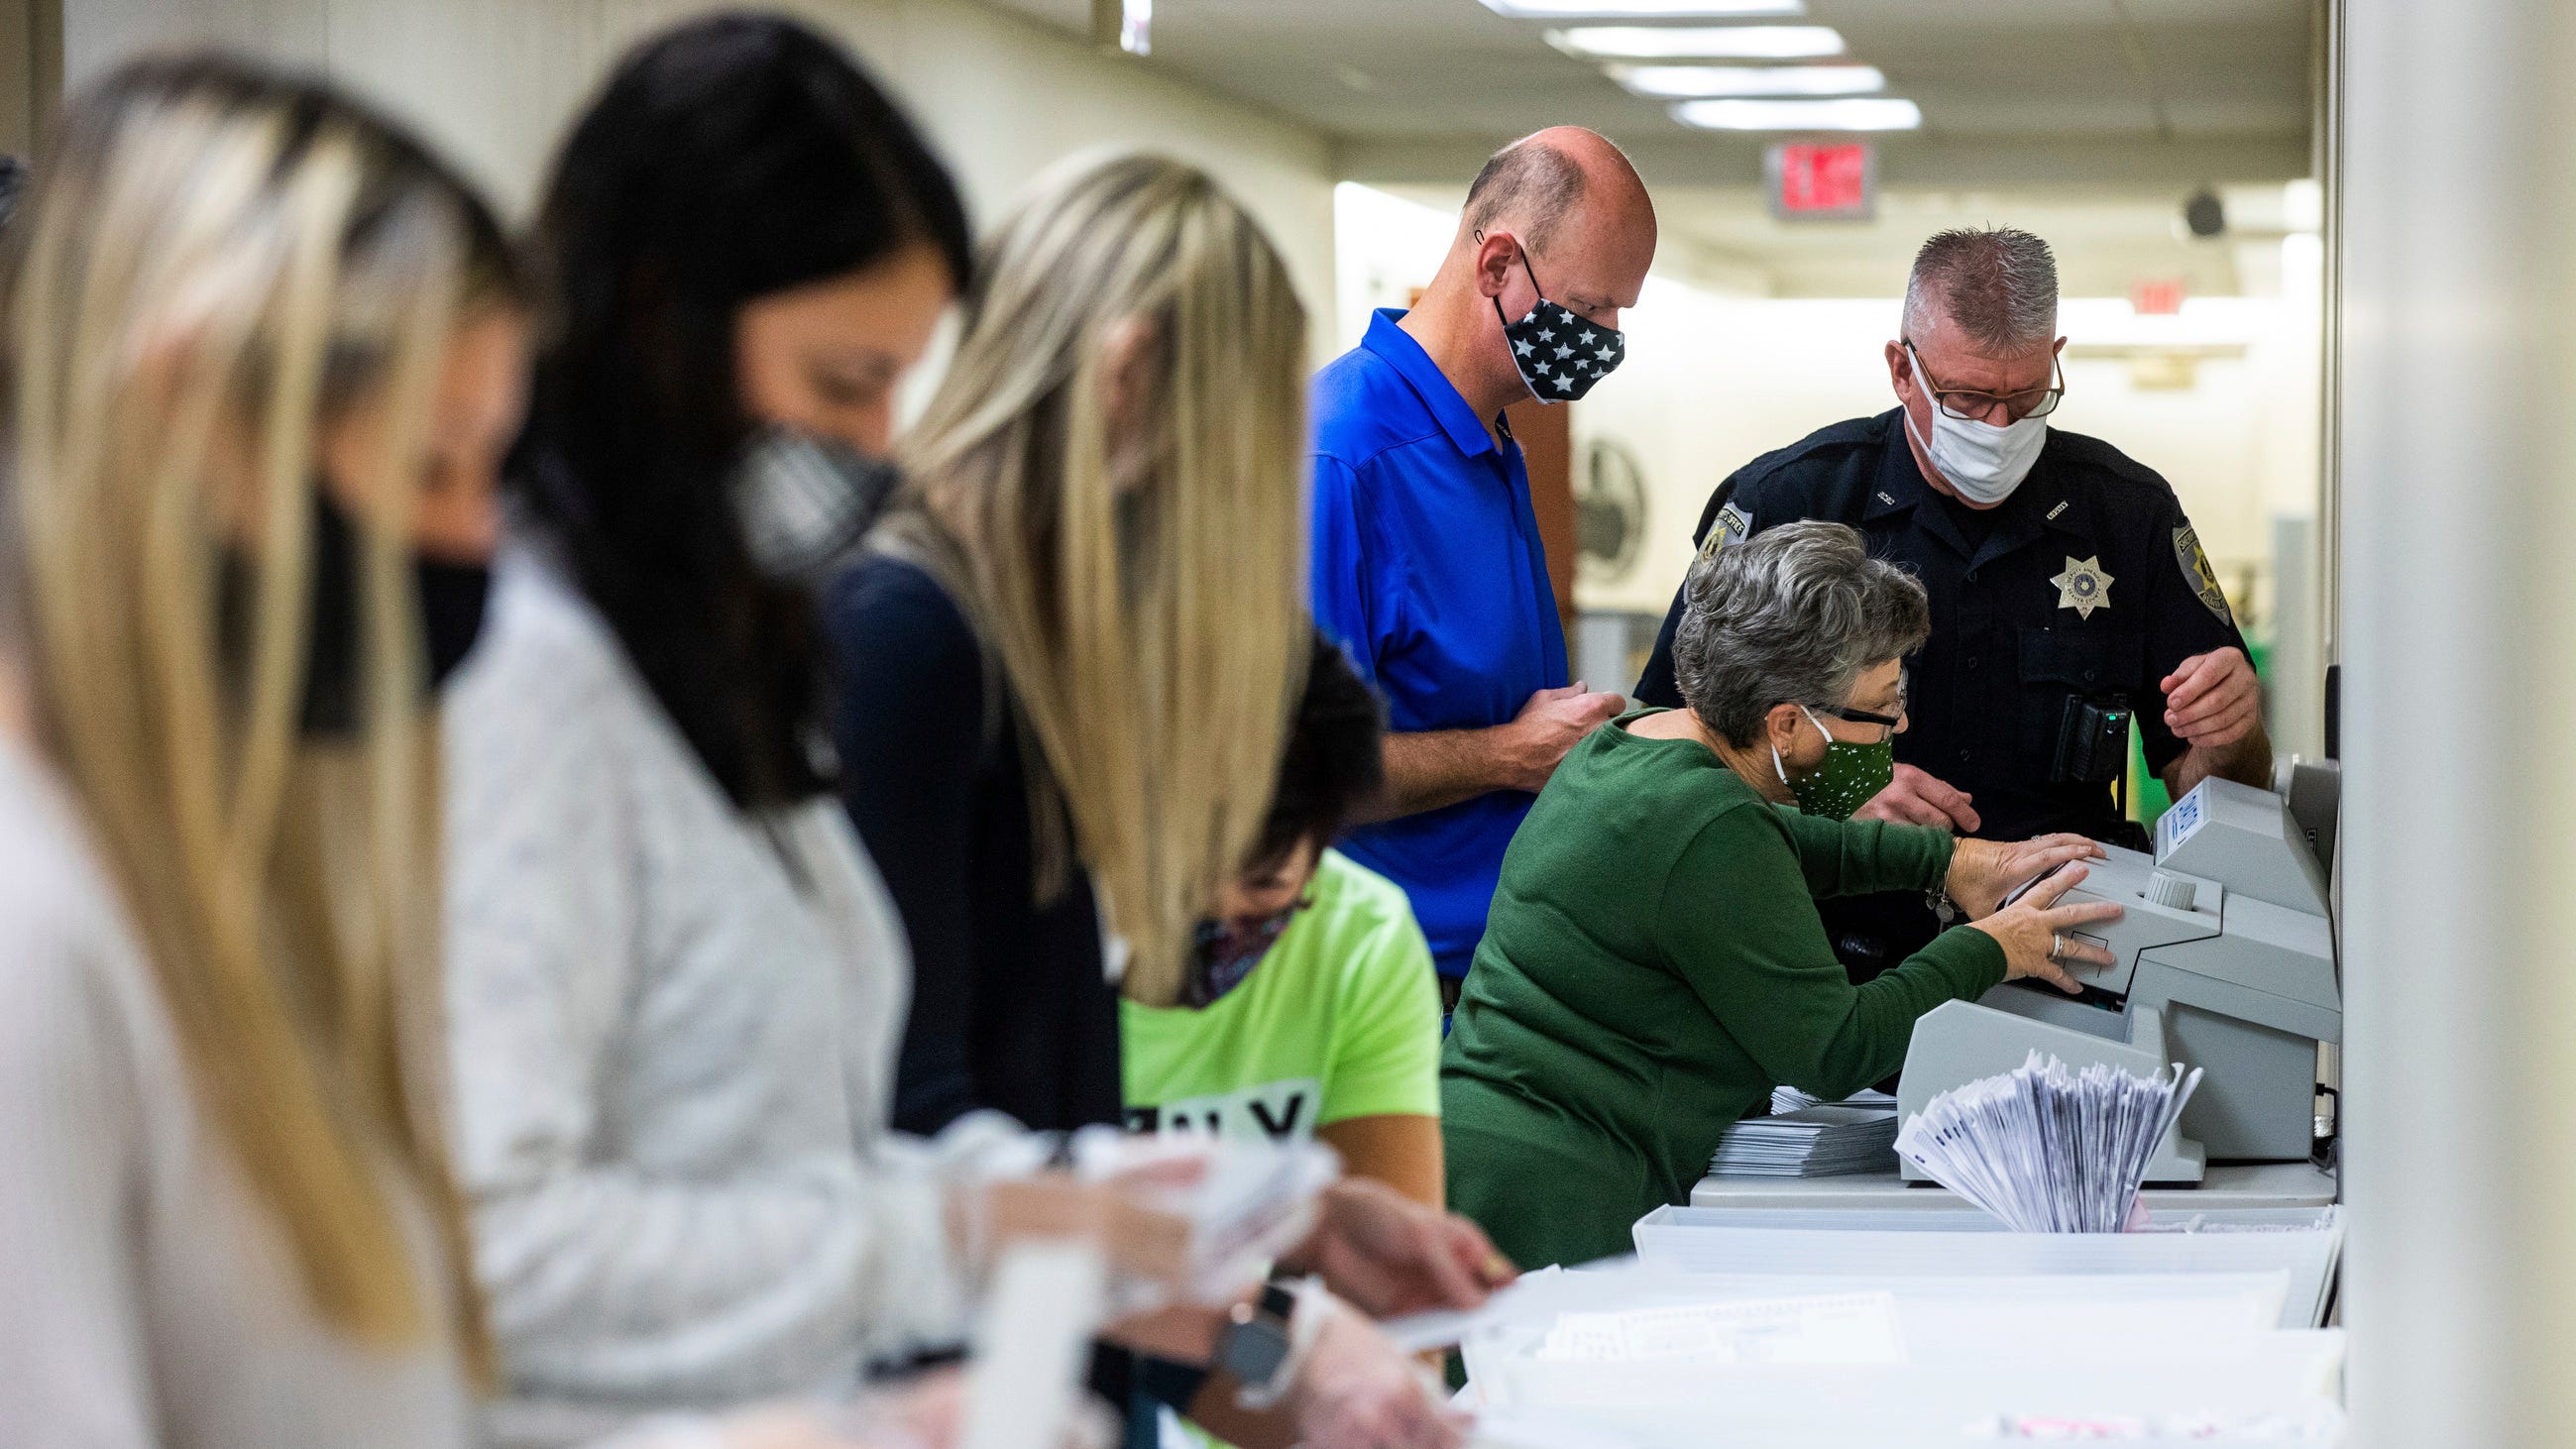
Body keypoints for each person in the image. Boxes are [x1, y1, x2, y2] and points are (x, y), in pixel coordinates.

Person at [831, 152, 1488, 1449]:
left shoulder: (1026, 670)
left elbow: (1071, 1228)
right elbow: (920, 1173)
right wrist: (1277, 1296)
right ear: (1127, 387)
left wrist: (1284, 1305)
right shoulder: (908, 643)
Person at [1442, 523, 2126, 1273]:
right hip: (1550, 1193)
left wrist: (1952, 861)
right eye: (1880, 708)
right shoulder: (1709, 826)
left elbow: (1781, 846)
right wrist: (1994, 948)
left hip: (1486, 1148)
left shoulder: (1634, 743)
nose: (1898, 726)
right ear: (1787, 723)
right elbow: (1835, 1050)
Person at [1633, 226, 2267, 982]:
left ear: (2055, 358)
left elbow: (2210, 794)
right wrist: (1829, 799)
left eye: (2025, 396)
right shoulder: (1791, 501)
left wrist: (2229, 734)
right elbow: (1653, 749)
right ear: (1902, 370)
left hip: (2066, 959)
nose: (1998, 427)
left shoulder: (2127, 516)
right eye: (1968, 398)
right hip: (1831, 963)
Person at [1308, 127, 1653, 997]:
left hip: (1501, 972)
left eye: (1620, 313)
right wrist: (1505, 753)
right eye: (1588, 307)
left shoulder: (1491, 444)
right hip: (1388, 988)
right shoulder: (1341, 459)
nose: (1606, 339)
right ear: (1496, 265)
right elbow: (1292, 770)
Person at [1122, 632, 1448, 1208]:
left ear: (1321, 853)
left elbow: (1390, 1236)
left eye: (1264, 885)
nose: (1219, 916)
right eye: (1181, 884)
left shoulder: (1360, 941)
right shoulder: (1034, 936)